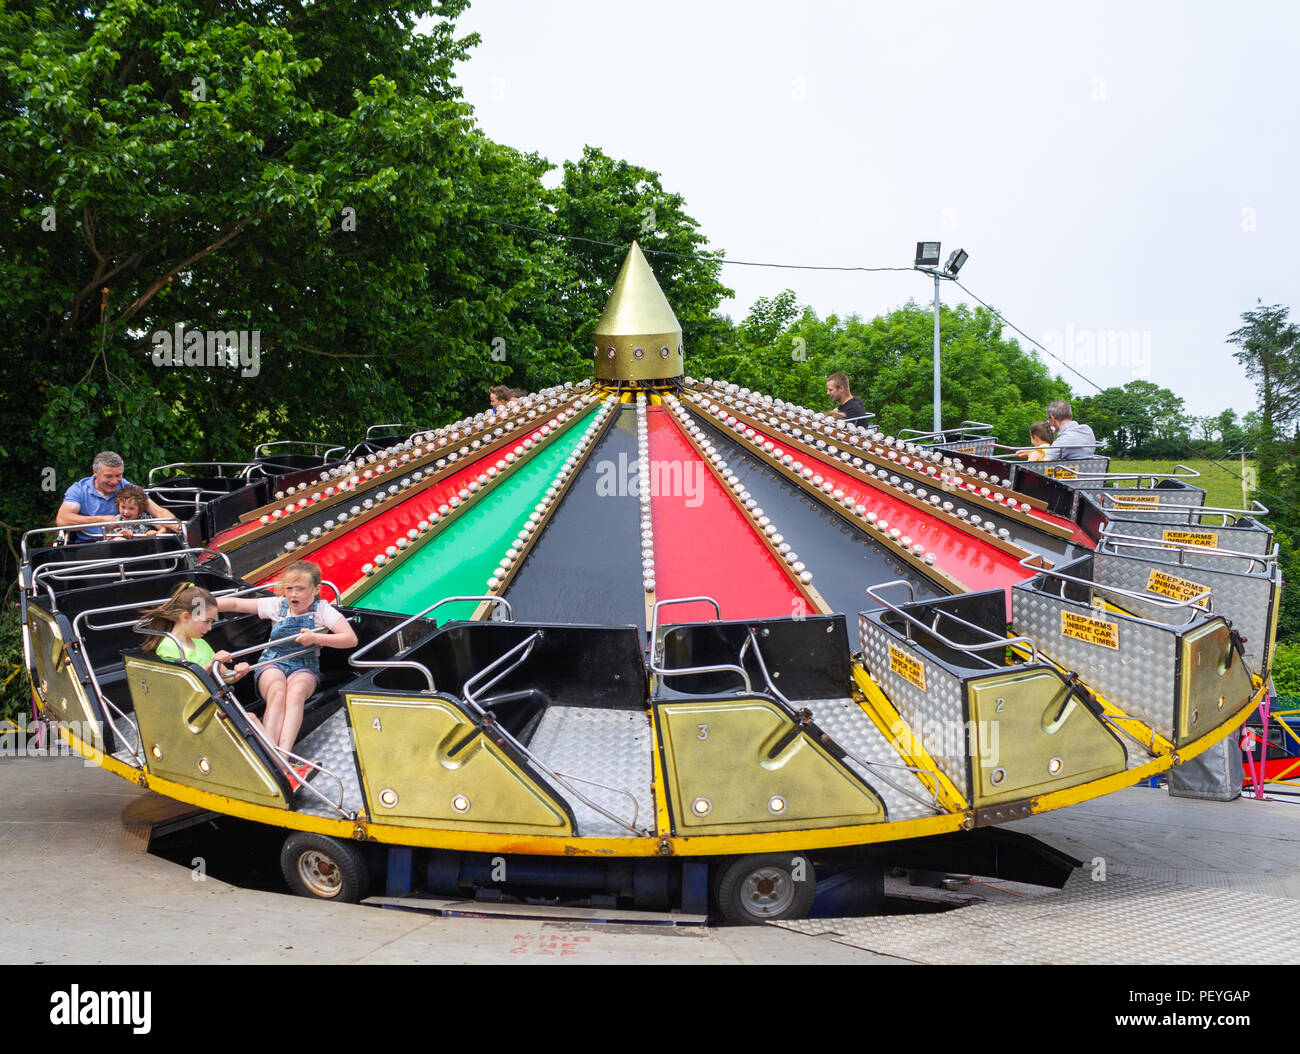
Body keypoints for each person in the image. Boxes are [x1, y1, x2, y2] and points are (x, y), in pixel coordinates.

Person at [218, 561, 357, 774]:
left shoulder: (322, 610)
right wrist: (205, 604)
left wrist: (315, 637)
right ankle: (271, 757)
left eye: (300, 589)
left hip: (305, 664)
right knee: (277, 691)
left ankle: (281, 757)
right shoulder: (277, 605)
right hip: (274, 660)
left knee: (296, 693)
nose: (293, 594)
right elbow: (237, 605)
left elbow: (350, 639)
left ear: (316, 589)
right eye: (289, 588)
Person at [56, 451, 178, 543]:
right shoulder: (79, 490)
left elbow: (159, 512)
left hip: (128, 544)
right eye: (109, 476)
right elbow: (62, 520)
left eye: (118, 475)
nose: (114, 481)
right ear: (95, 472)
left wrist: (177, 527)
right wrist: (100, 520)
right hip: (89, 545)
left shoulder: (127, 488)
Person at [138, 583, 249, 683]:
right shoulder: (168, 647)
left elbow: (225, 676)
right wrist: (211, 664)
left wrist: (237, 673)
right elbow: (186, 686)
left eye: (211, 622)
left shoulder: (201, 643)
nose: (210, 628)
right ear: (186, 616)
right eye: (206, 621)